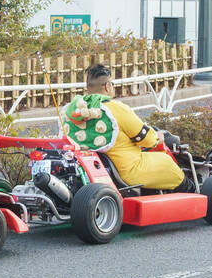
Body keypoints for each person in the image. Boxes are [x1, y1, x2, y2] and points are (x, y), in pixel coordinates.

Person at [63, 63, 188, 191]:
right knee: (167, 163)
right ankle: (190, 189)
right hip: (128, 170)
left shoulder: (72, 111)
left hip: (93, 169)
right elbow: (148, 139)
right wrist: (158, 137)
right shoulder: (115, 108)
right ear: (107, 86)